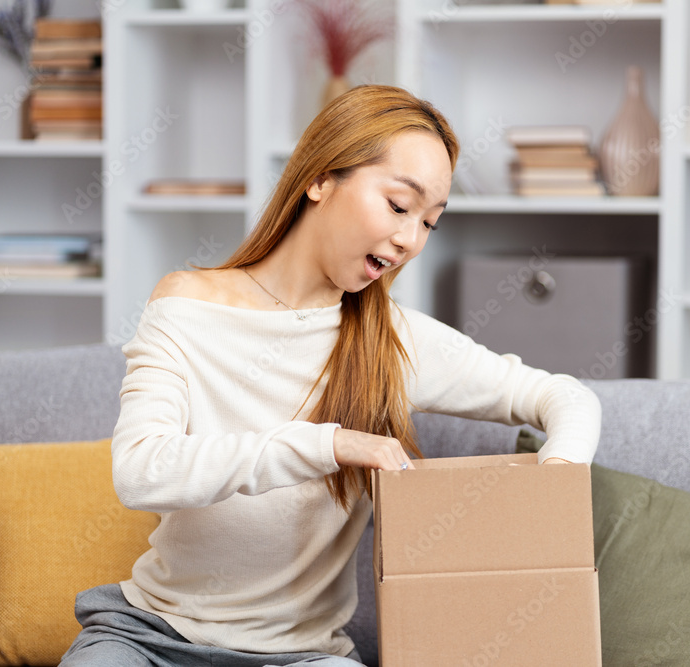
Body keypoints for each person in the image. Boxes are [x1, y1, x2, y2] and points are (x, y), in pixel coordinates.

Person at [59, 84, 601, 667]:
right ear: (320, 179)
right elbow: (140, 472)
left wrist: (557, 479)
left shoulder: (393, 341)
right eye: (399, 206)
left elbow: (565, 397)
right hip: (151, 636)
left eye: (430, 223)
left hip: (302, 657)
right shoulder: (187, 303)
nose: (409, 240)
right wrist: (328, 445)